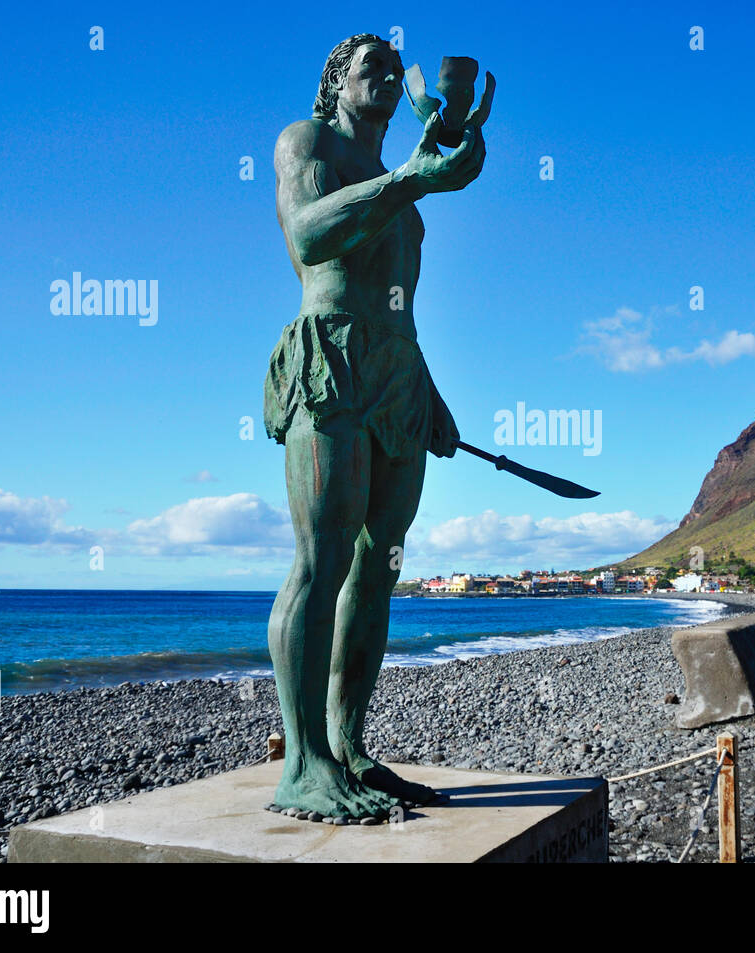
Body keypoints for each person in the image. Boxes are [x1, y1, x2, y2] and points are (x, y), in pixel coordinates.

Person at [263, 33, 489, 818]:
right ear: (336, 82)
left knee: (378, 567)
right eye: (373, 68)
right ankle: (303, 763)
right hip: (330, 359)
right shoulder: (308, 142)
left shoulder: (409, 195)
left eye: (398, 69)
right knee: (322, 559)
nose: (391, 77)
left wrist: (431, 394)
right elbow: (310, 237)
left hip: (398, 375)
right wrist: (405, 181)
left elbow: (404, 303)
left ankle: (350, 745)